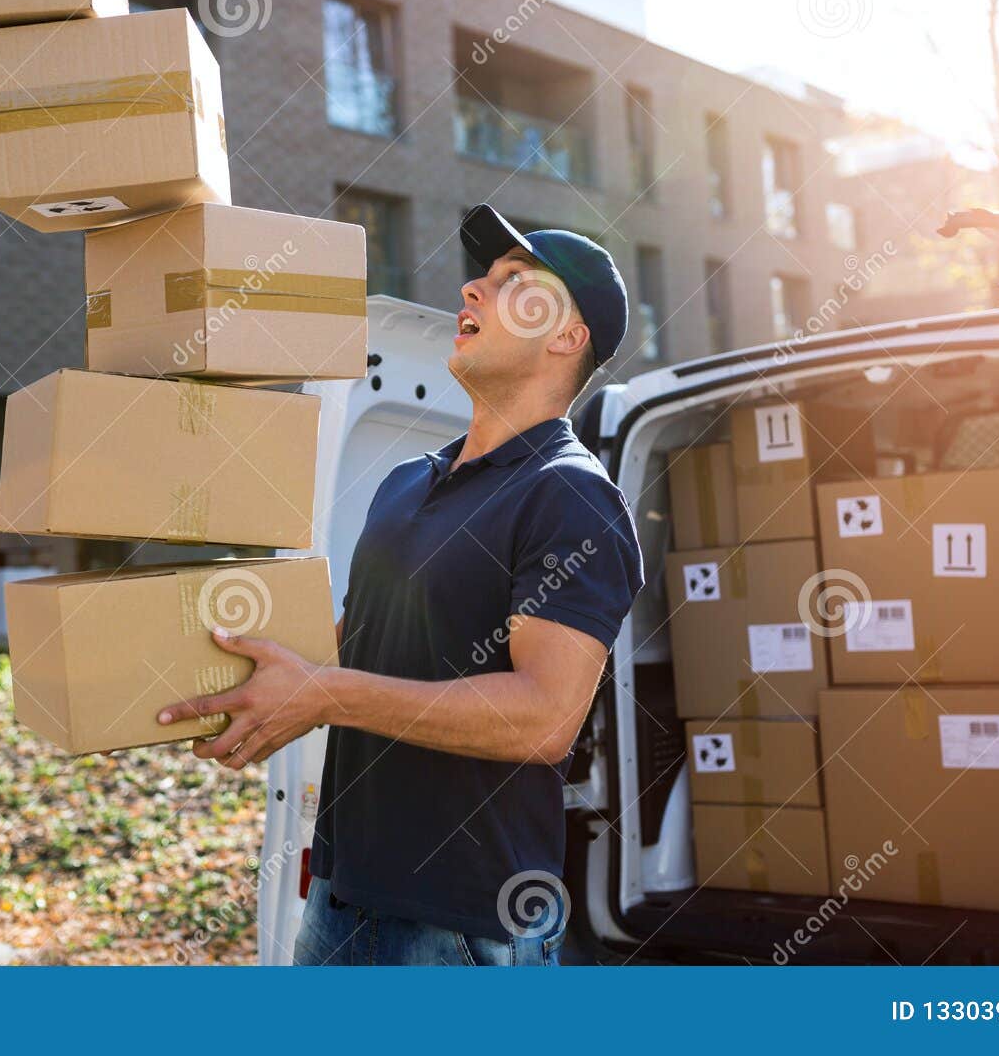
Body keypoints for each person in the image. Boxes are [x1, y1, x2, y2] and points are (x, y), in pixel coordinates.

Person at [158, 203, 644, 965]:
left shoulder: (569, 495)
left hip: (461, 931)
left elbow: (545, 717)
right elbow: (350, 651)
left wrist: (322, 692)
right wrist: (243, 687)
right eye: (481, 278)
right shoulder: (404, 483)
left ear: (566, 336)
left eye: (513, 281)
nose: (472, 291)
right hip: (340, 895)